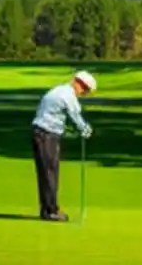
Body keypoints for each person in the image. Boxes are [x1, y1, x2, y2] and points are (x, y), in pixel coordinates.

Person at [31, 70, 95, 222]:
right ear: (78, 83)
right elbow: (75, 115)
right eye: (85, 90)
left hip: (41, 133)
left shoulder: (59, 90)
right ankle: (51, 210)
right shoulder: (68, 95)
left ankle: (47, 209)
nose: (83, 93)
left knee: (46, 173)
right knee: (50, 172)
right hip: (46, 135)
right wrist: (84, 128)